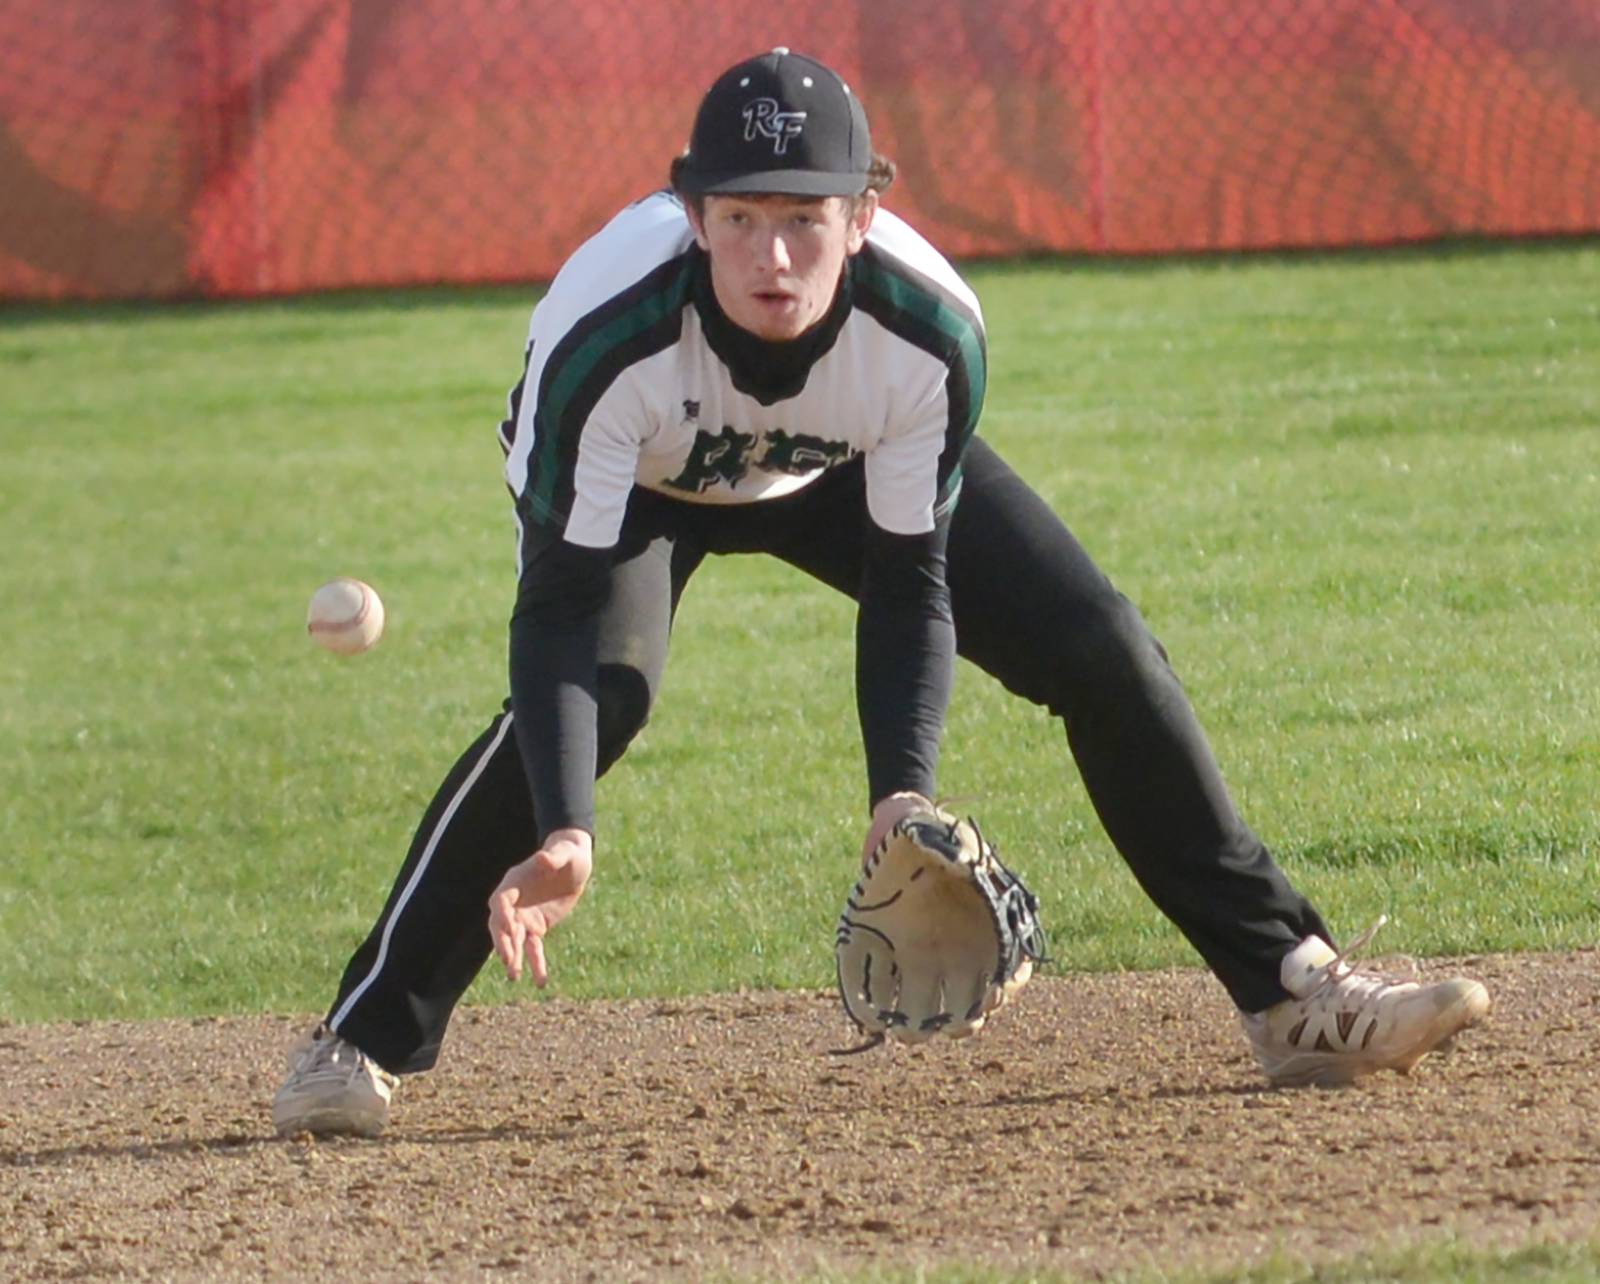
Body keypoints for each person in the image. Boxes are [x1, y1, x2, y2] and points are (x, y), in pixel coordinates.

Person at [272, 48, 1488, 1137]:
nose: (774, 253)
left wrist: (898, 793)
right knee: (601, 696)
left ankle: (1294, 993)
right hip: (647, 482)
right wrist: (566, 828)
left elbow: (911, 582)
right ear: (692, 215)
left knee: (1098, 643)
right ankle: (357, 1042)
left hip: (835, 464)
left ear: (864, 216)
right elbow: (551, 613)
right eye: (741, 218)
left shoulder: (922, 333)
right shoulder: (607, 343)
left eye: (806, 218)